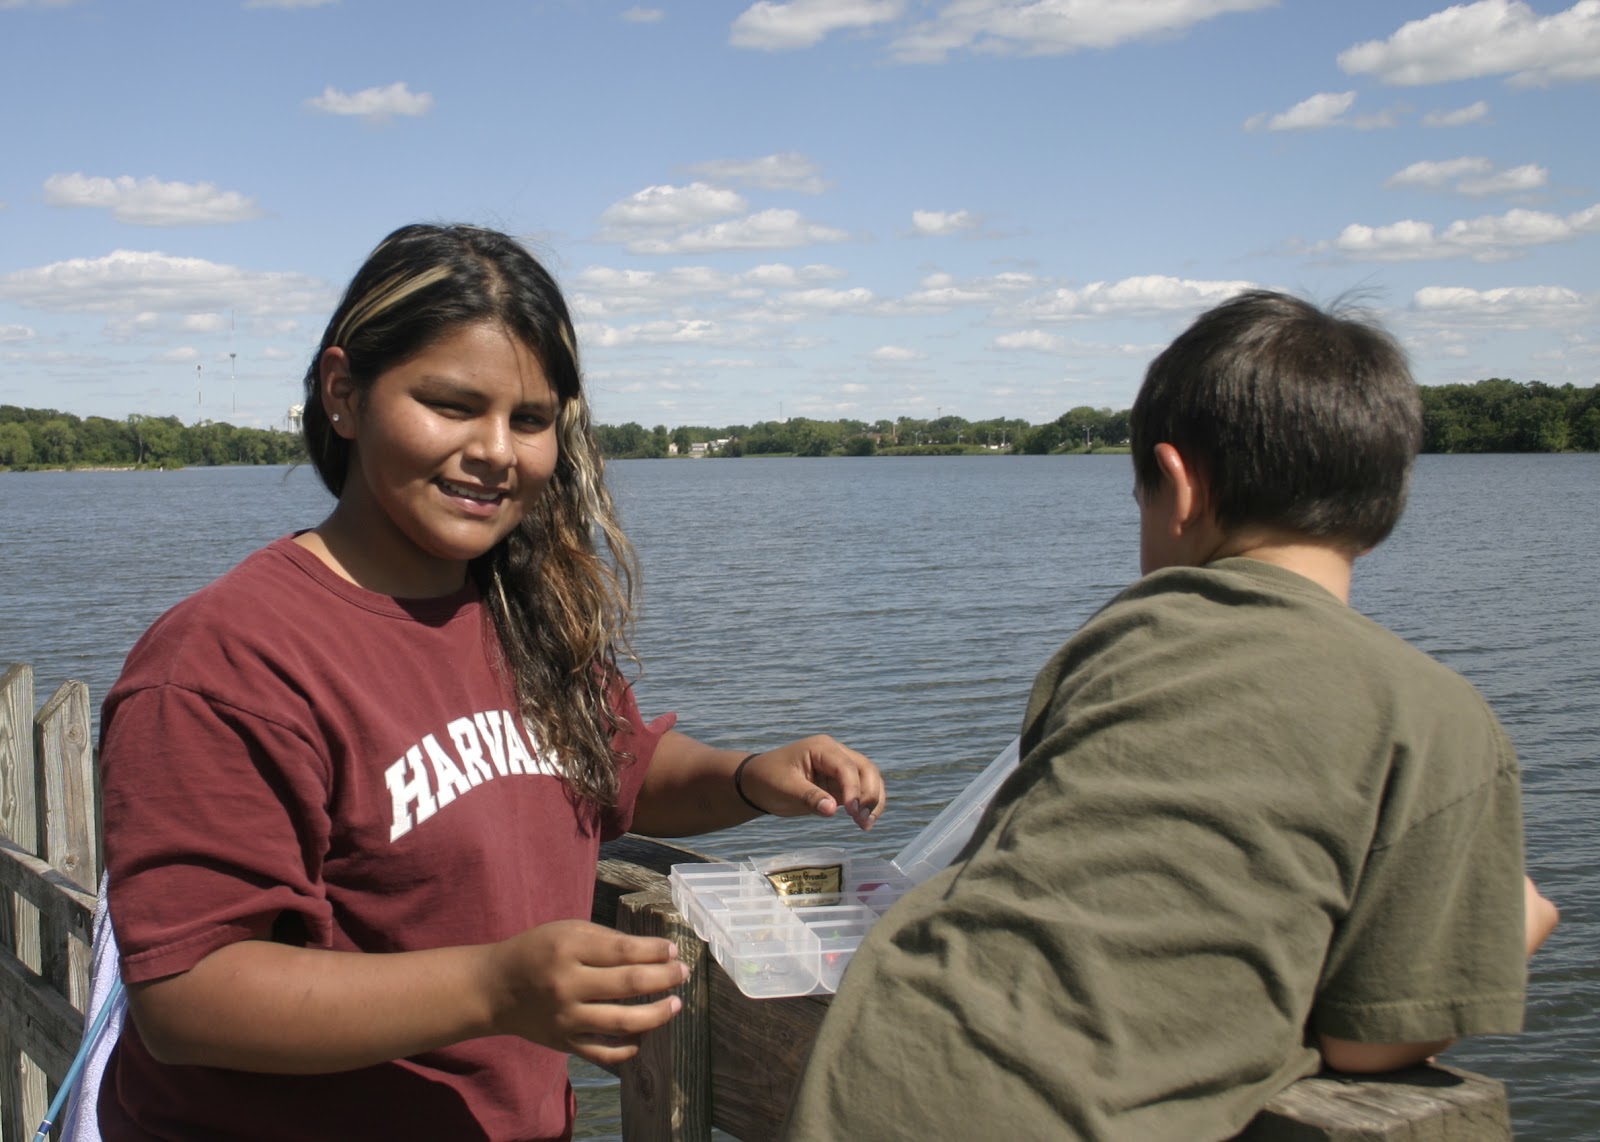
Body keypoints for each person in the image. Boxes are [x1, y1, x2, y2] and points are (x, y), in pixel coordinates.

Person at [94, 222, 885, 1142]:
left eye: (530, 420)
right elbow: (188, 995)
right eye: (451, 404)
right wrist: (495, 987)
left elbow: (611, 770)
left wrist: (748, 777)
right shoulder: (225, 663)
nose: (497, 451)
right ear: (343, 394)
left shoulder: (522, 612)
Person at [784, 290, 1558, 1141]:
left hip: (874, 1075)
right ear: (1379, 519)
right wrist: (1507, 930)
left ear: (1179, 487)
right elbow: (1369, 1038)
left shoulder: (1120, 642)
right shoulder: (1440, 714)